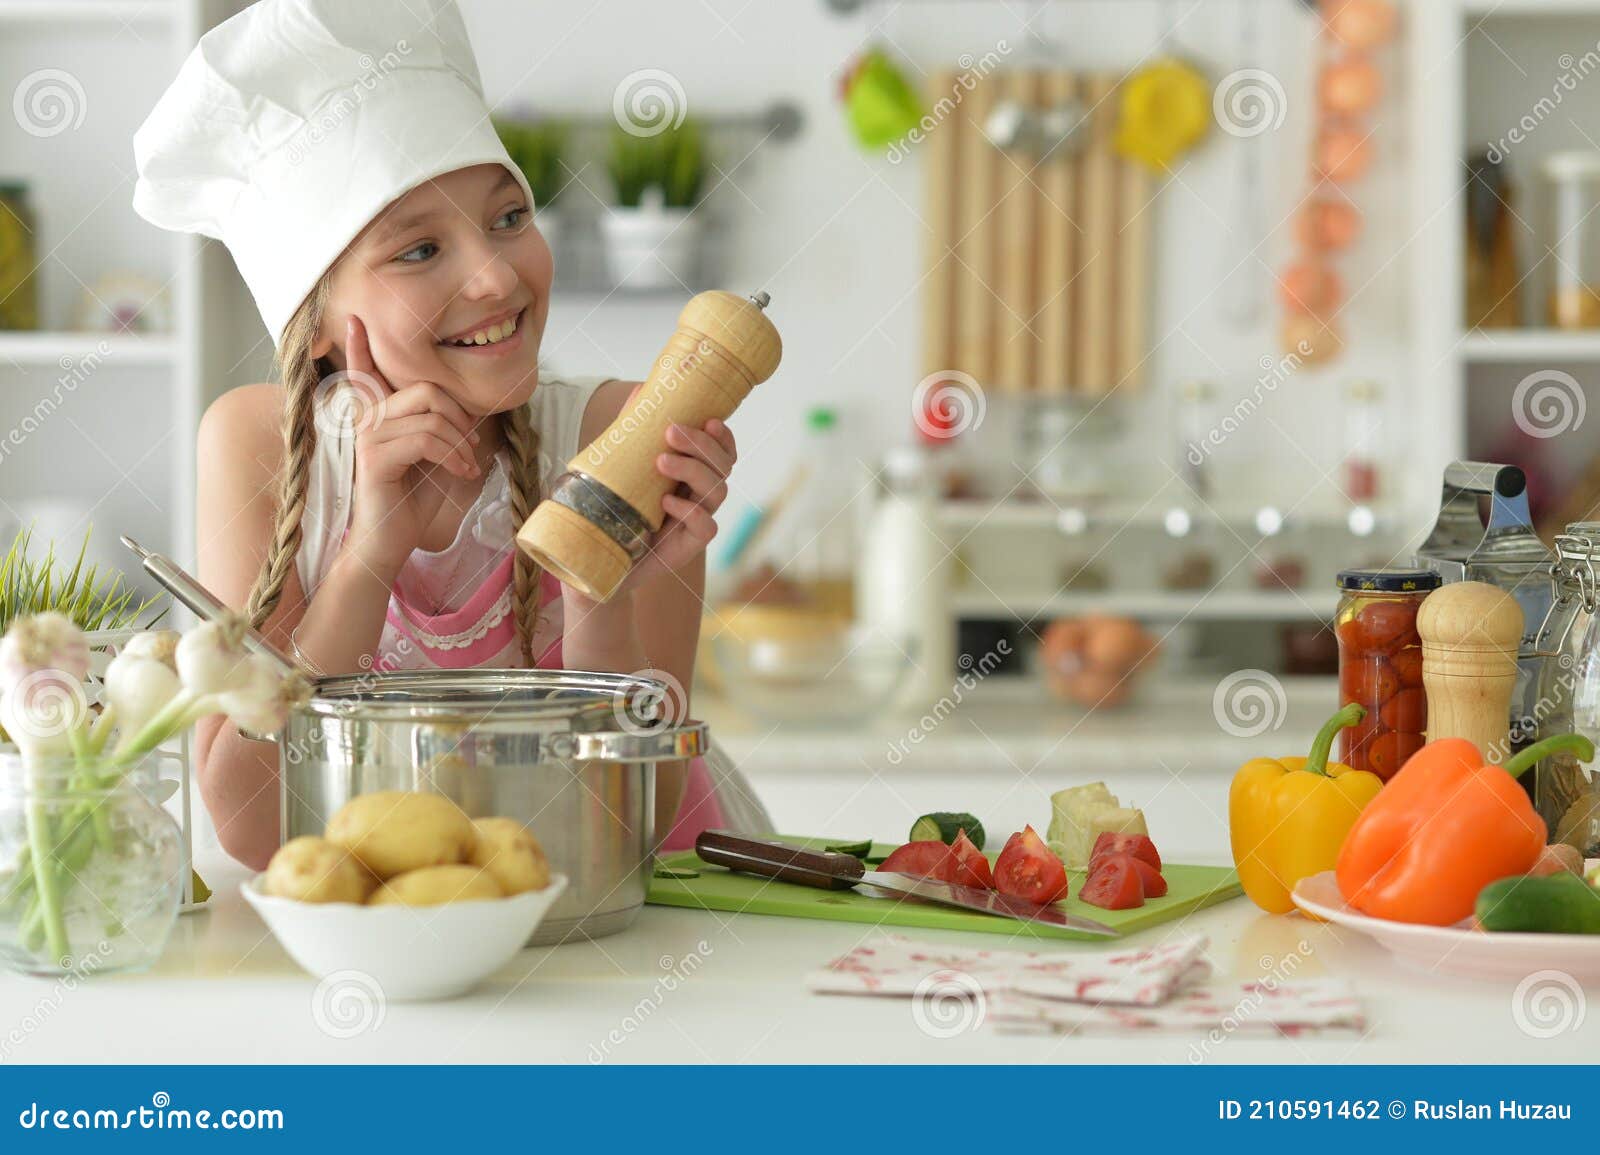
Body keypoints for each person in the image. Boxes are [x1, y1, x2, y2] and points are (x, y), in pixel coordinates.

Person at [132, 0, 770, 870]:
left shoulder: (619, 437)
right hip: (385, 916)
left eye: (509, 218)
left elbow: (633, 827)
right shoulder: (260, 444)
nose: (496, 275)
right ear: (315, 323)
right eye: (419, 251)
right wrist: (370, 554)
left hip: (615, 914)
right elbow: (252, 826)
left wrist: (601, 600)